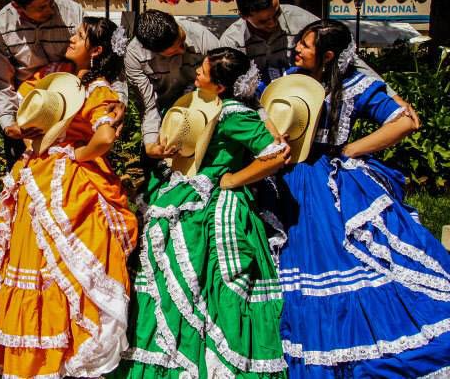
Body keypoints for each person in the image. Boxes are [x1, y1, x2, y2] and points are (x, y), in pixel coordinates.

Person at [270, 20, 450, 377]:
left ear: (329, 55)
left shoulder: (355, 85)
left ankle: (350, 341)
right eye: (300, 43)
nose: (297, 50)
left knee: (338, 253)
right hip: (288, 173)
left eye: (306, 45)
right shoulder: (290, 78)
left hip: (331, 179)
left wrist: (350, 149)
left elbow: (404, 122)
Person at [112, 48, 290, 378]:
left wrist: (234, 179)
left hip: (213, 201)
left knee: (205, 273)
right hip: (188, 185)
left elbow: (277, 155)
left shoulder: (235, 113)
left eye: (203, 72)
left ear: (220, 86)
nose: (197, 74)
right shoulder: (211, 102)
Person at [0, 17, 137, 377]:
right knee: (46, 262)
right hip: (48, 178)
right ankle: (57, 352)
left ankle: (53, 356)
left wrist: (72, 155)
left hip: (68, 181)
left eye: (80, 36)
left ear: (96, 50)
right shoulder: (71, 78)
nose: (72, 38)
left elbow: (104, 139)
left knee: (53, 263)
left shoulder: (99, 89)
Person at [0, 0, 127, 158]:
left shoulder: (72, 12)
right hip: (30, 116)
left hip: (74, 117)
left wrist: (118, 99)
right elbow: (2, 83)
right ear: (19, 8)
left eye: (51, 0)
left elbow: (103, 55)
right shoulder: (1, 26)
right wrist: (9, 125)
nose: (51, 10)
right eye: (41, 7)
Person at [125, 9, 220, 188]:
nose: (182, 49)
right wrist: (151, 143)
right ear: (152, 51)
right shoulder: (134, 56)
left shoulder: (203, 38)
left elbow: (224, 80)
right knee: (158, 178)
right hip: (166, 118)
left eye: (182, 41)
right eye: (174, 52)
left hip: (205, 110)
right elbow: (149, 105)